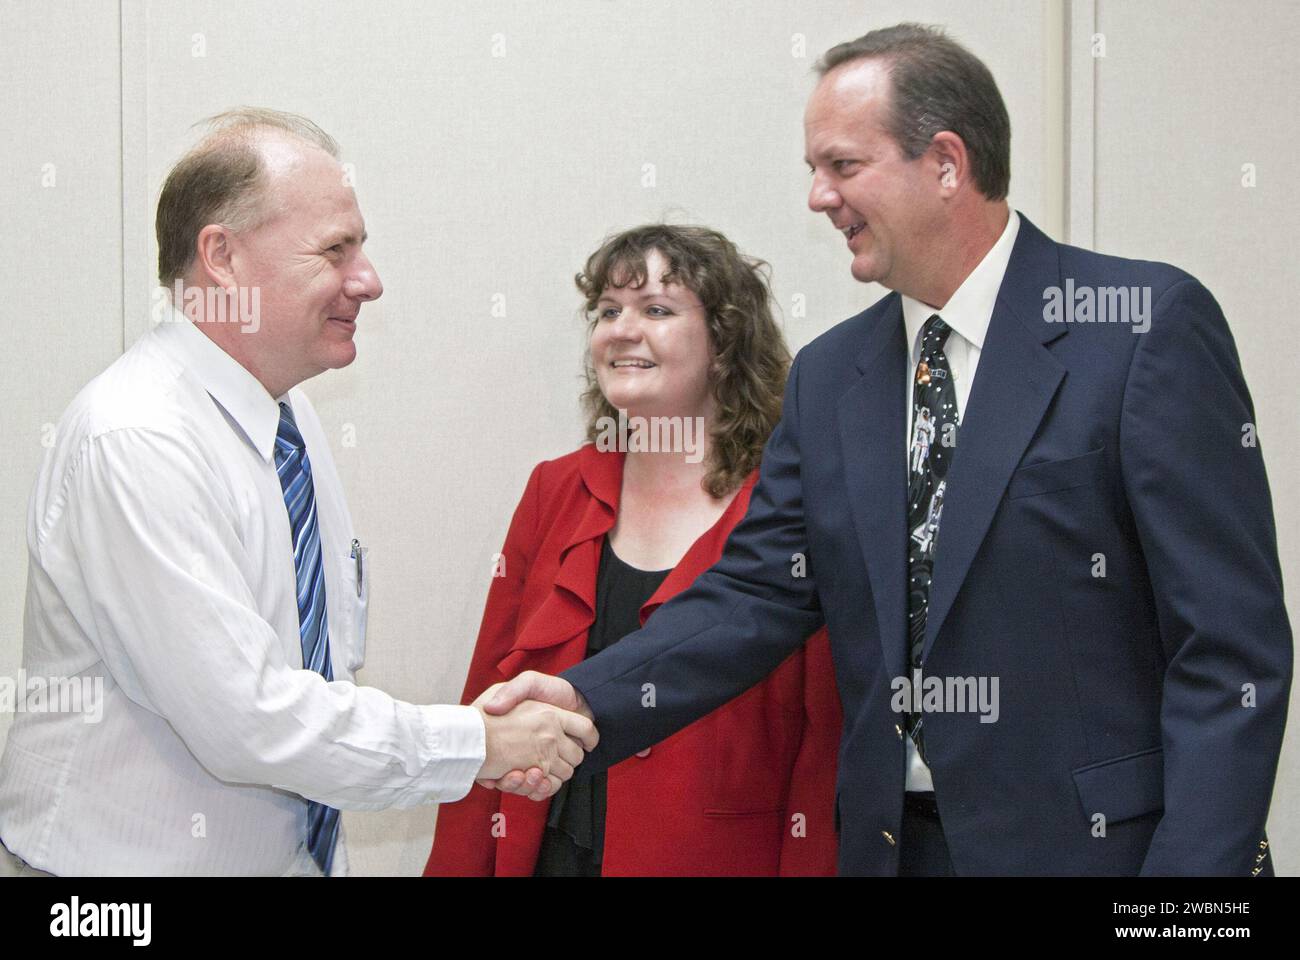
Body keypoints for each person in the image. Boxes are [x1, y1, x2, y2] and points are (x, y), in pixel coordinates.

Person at [483, 24, 1292, 876]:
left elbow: (1229, 654)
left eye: (842, 166)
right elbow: (754, 596)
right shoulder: (833, 377)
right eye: (812, 171)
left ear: (945, 163)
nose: (818, 198)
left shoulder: (1137, 327)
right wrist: (582, 697)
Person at [0, 108, 595, 876]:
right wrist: (476, 743)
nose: (368, 281)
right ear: (223, 256)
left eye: (363, 249)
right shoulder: (138, 438)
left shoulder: (288, 415)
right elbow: (247, 720)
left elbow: (317, 672)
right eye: (334, 251)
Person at [425, 225, 840, 876]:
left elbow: (822, 750)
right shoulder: (555, 491)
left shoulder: (789, 511)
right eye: (608, 310)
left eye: (657, 310)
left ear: (725, 344)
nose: (621, 329)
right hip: (551, 852)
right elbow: (489, 700)